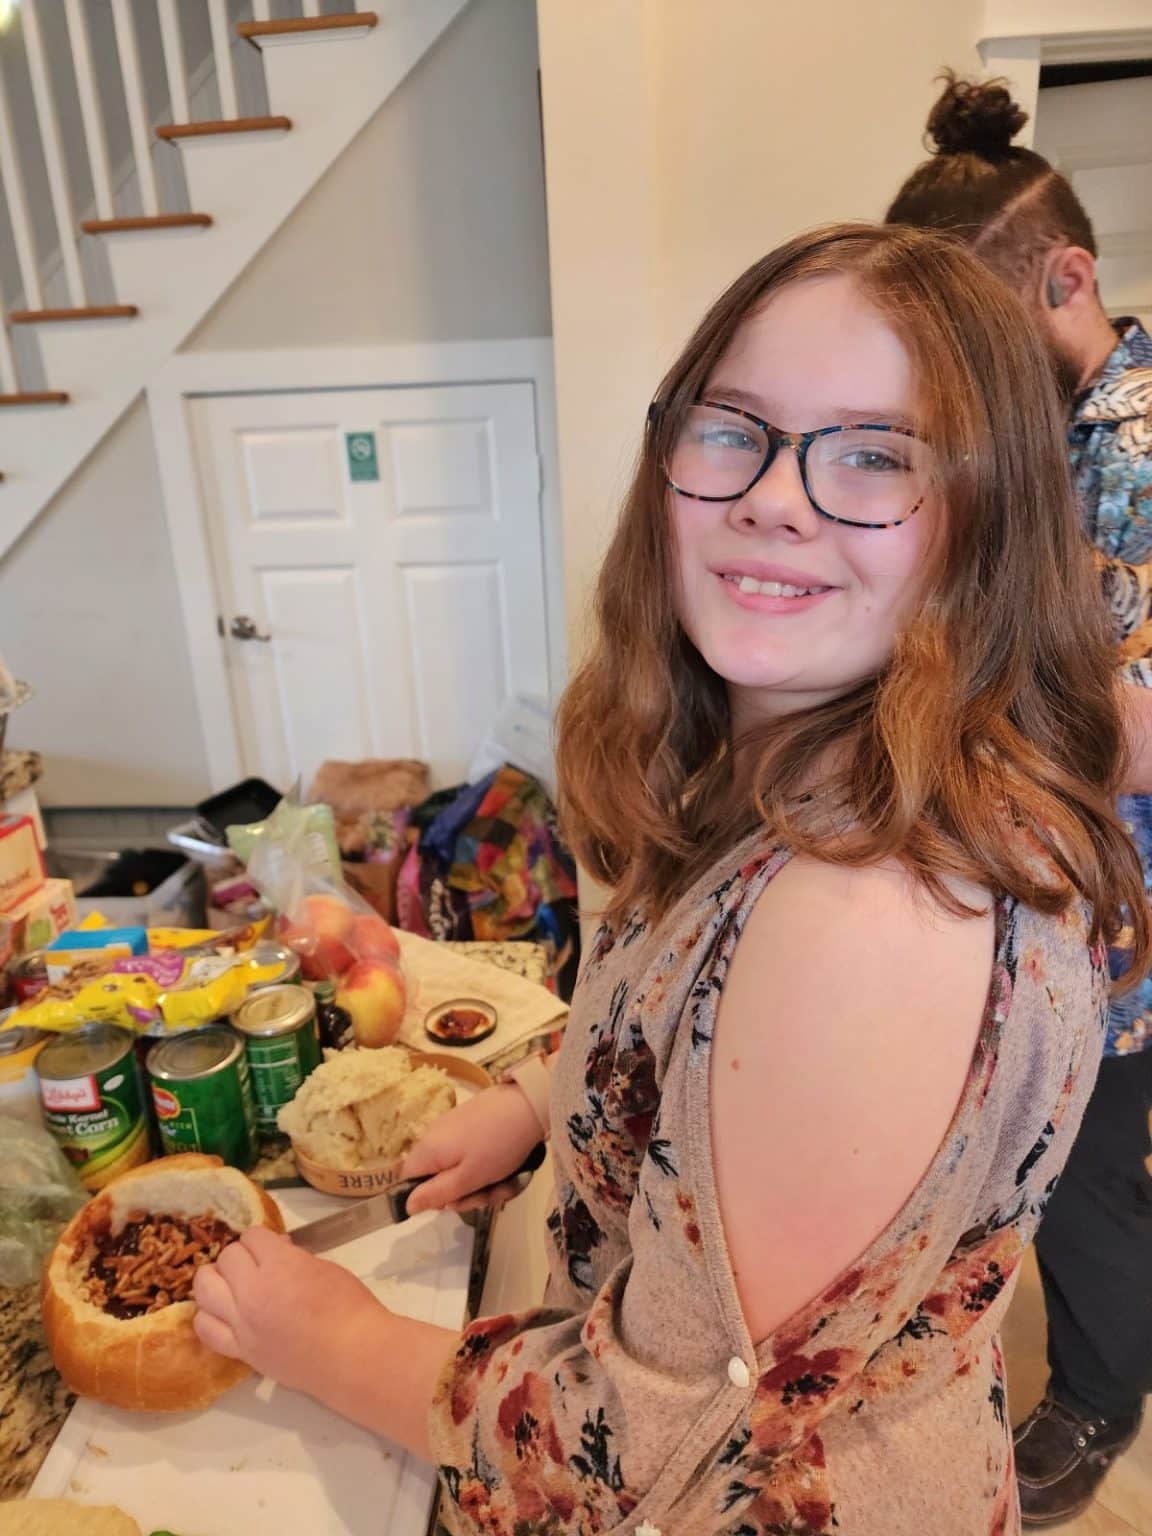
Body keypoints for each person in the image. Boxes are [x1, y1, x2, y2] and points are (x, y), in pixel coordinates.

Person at [192, 223, 1150, 1536]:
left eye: (873, 455)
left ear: (988, 522)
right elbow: (696, 1026)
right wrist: (546, 1101)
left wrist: (330, 1339)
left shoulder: (865, 919)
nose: (774, 494)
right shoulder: (802, 765)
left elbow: (642, 1445)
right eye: (733, 428)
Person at [887, 76, 1152, 1527]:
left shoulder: (1147, 439)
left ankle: (1100, 1397)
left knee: (1089, 1172)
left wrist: (939, 702)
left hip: (1125, 925)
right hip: (1035, 889)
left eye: (978, 340)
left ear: (1067, 277)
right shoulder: (1041, 436)